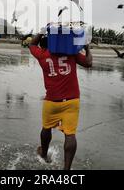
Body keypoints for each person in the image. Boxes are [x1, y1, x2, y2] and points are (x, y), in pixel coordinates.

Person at [29, 30, 92, 170]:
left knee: (46, 128)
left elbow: (32, 44)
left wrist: (41, 31)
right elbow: (88, 63)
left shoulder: (42, 55)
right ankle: (66, 169)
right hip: (72, 101)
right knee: (70, 134)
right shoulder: (71, 53)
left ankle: (44, 154)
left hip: (52, 101)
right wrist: (87, 47)